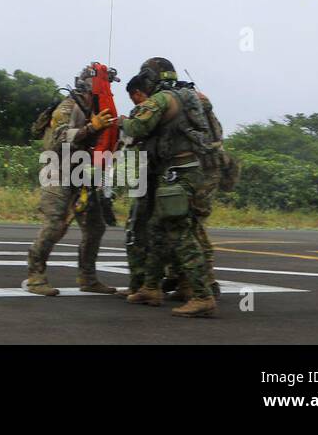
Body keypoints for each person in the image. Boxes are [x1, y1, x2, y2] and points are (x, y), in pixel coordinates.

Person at [120, 57, 218, 318]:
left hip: (178, 172)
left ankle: (202, 295)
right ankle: (151, 287)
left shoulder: (162, 99)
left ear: (150, 78)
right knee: (157, 229)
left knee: (180, 234)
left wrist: (120, 121)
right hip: (188, 171)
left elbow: (137, 126)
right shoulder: (191, 96)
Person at [24, 66, 116, 297]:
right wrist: (90, 128)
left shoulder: (95, 109)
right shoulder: (66, 108)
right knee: (55, 224)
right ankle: (35, 276)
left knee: (95, 226)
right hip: (57, 171)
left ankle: (88, 278)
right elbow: (59, 140)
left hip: (82, 173)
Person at [119, 74, 159, 300]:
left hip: (143, 178)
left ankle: (139, 285)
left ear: (136, 93)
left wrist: (122, 122)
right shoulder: (165, 109)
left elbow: (130, 139)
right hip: (160, 178)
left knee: (135, 231)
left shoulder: (142, 112)